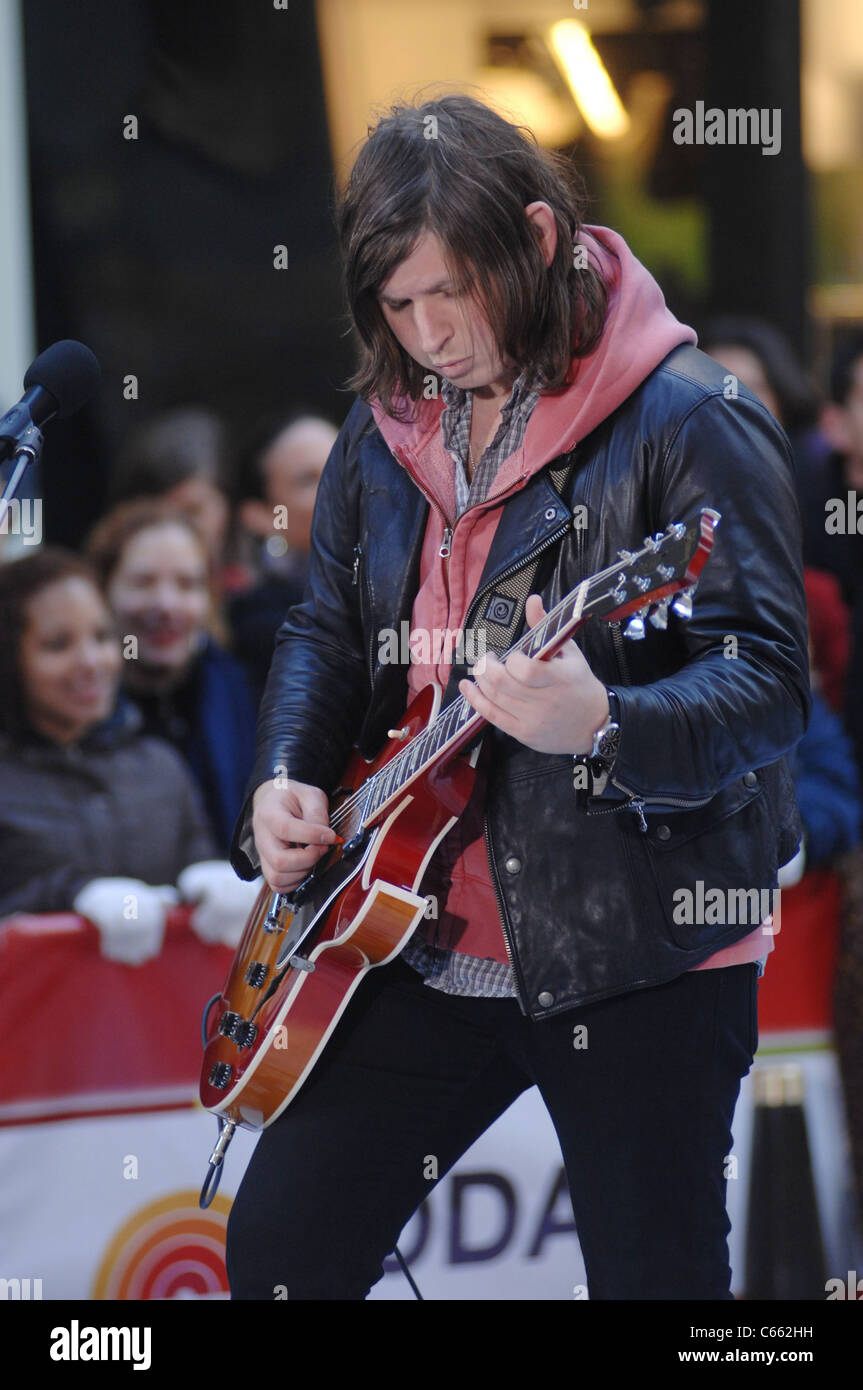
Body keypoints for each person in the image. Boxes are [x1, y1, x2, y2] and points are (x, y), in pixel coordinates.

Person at [225, 94, 811, 1301]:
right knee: (280, 1254)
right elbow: (324, 626)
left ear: (537, 239)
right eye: (398, 303)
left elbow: (769, 684)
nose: (431, 334)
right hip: (416, 927)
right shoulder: (383, 424)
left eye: (456, 292)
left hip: (641, 949)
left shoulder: (692, 414)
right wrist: (286, 767)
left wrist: (603, 721)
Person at [0, 548, 259, 958]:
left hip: (155, 1017)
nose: (90, 662)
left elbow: (196, 865)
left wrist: (214, 881)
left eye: (101, 637)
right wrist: (75, 894)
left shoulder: (160, 766)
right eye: (57, 644)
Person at [86, 499, 258, 854]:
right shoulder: (71, 707)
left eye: (186, 584)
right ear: (102, 592)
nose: (166, 605)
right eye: (142, 582)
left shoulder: (246, 695)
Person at [229, 409, 338, 695]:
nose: (338, 483)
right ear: (261, 516)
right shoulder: (264, 627)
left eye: (342, 463)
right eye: (308, 480)